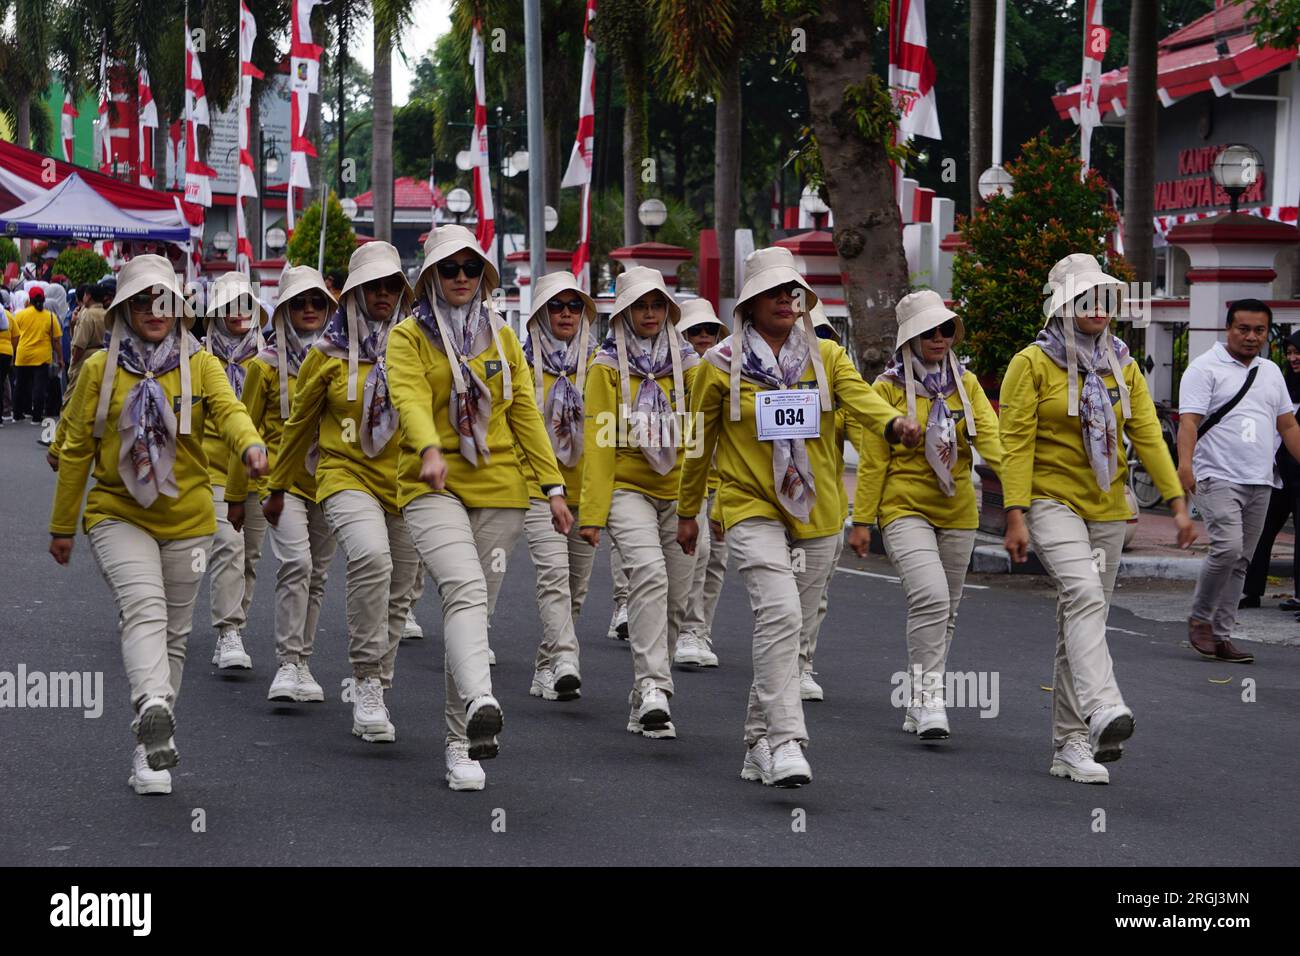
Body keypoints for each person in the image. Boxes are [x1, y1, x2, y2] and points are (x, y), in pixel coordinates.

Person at [677, 246, 922, 787]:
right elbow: (698, 446)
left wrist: (893, 425)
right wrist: (689, 511)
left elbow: (861, 400)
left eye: (793, 292)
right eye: (773, 292)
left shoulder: (827, 358)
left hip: (819, 510)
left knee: (790, 626)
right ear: (749, 304)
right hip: (747, 505)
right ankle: (786, 740)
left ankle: (757, 742)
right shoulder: (717, 367)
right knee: (781, 614)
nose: (786, 302)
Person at [47, 254, 267, 795]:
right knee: (143, 607)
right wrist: (62, 527)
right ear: (123, 309)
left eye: (162, 299)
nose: (153, 309)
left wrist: (251, 445)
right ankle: (150, 703)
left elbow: (232, 412)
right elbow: (75, 449)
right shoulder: (99, 369)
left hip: (188, 518)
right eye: (141, 300)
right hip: (117, 514)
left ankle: (150, 751)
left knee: (174, 633)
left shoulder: (200, 364)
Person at [1001, 253, 1194, 785]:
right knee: (1084, 597)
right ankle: (1103, 705)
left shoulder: (1123, 363)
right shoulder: (1031, 363)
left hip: (1109, 508)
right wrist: (1015, 513)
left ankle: (1070, 742)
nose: (1098, 309)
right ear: (1063, 305)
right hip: (1050, 501)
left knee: (1080, 620)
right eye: (1085, 298)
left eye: (1106, 298)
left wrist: (1176, 503)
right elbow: (1014, 445)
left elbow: (1147, 434)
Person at [388, 225, 565, 789]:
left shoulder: (504, 338)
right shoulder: (407, 338)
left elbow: (525, 417)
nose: (461, 278)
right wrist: (431, 449)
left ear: (483, 277)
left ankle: (461, 740)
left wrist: (554, 488)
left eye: (470, 269)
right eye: (449, 269)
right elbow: (409, 399)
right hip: (430, 485)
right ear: (430, 278)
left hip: (503, 492)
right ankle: (481, 697)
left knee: (474, 614)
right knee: (463, 591)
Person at [264, 242, 421, 744]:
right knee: (371, 558)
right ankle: (365, 681)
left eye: (391, 285)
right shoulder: (325, 356)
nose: (382, 294)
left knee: (400, 589)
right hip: (344, 474)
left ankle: (381, 681)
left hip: (408, 483)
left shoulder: (425, 349)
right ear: (353, 293)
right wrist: (276, 488)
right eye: (371, 285)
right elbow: (297, 428)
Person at [849, 290, 1004, 739]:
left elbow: (990, 442)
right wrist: (862, 522)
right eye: (928, 331)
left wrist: (1022, 494)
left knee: (947, 609)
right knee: (931, 596)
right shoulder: (886, 389)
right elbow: (874, 461)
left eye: (945, 329)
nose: (939, 337)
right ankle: (929, 700)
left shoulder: (967, 384)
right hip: (903, 506)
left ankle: (920, 700)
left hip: (958, 508)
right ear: (909, 338)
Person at [580, 267, 700, 739]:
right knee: (647, 574)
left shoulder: (692, 366)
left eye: (656, 306)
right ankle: (654, 687)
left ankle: (643, 698)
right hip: (628, 489)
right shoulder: (605, 367)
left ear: (668, 311)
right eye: (639, 307)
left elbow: (706, 437)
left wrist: (710, 503)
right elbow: (598, 442)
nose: (648, 314)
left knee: (676, 597)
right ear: (623, 314)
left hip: (683, 492)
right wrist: (592, 515)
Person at [227, 266, 337, 704]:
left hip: (330, 479)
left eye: (317, 303)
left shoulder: (343, 360)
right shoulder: (264, 365)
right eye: (299, 303)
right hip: (279, 482)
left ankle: (304, 662)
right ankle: (287, 663)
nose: (309, 310)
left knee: (320, 573)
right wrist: (236, 497)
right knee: (298, 564)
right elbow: (245, 430)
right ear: (283, 312)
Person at [1178, 299, 1300, 663]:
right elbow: (1189, 422)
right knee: (1227, 549)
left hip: (1260, 479)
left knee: (1243, 559)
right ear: (1228, 328)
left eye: (1259, 330)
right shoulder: (1204, 368)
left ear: (1267, 333)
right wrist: (1185, 465)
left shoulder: (1271, 372)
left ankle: (1221, 634)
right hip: (1216, 475)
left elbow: (1288, 425)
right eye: (1243, 329)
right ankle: (1201, 618)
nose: (1250, 337)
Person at [520, 270, 598, 701]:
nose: (566, 314)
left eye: (574, 306)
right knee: (553, 576)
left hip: (586, 489)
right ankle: (567, 659)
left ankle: (546, 665)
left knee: (576, 587)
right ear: (539, 313)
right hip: (535, 486)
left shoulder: (605, 363)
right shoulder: (517, 358)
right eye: (556, 305)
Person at [202, 272, 269, 671]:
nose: (238, 313)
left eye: (245, 305)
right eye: (229, 306)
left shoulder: (268, 355)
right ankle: (228, 631)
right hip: (210, 469)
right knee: (228, 542)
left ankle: (234, 627)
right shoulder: (197, 357)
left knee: (251, 556)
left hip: (257, 470)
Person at [674, 298, 728, 669]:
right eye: (696, 331)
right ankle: (683, 629)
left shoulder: (729, 371)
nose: (704, 337)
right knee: (697, 553)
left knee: (716, 559)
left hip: (723, 478)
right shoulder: (666, 370)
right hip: (682, 478)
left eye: (711, 330)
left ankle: (699, 629)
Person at [1240, 330, 1300, 612]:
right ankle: (1250, 592)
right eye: (1289, 352)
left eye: (1297, 352)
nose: (1293, 358)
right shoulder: (1284, 385)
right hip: (1277, 472)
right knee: (1261, 531)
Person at [10, 285, 63, 424]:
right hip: (42, 357)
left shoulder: (20, 315)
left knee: (20, 385)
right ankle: (37, 417)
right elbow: (56, 340)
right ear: (44, 300)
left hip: (23, 355)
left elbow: (14, 334)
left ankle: (17, 414)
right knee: (39, 387)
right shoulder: (50, 316)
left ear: (30, 299)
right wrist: (60, 358)